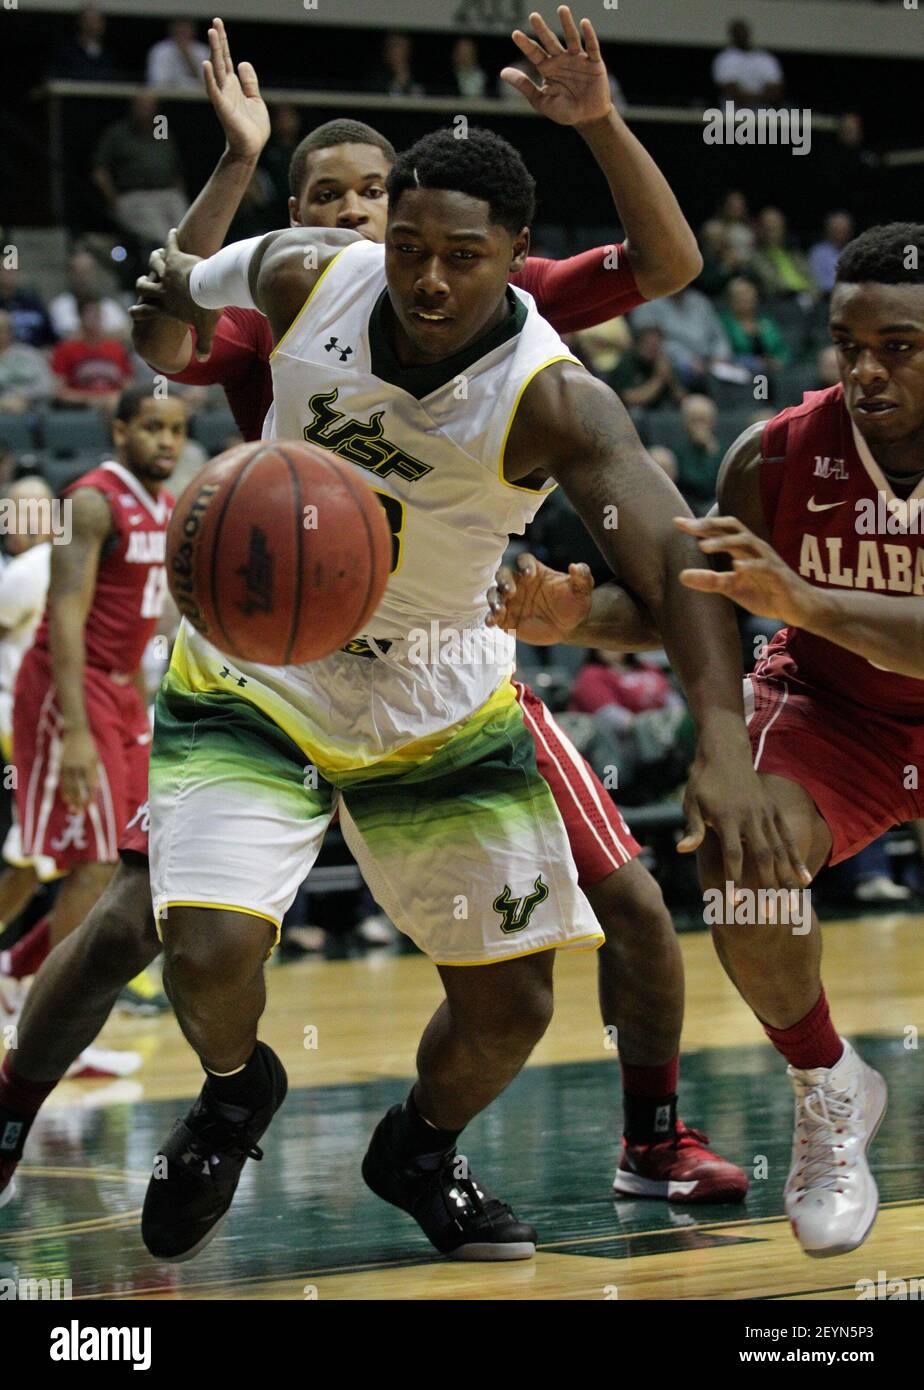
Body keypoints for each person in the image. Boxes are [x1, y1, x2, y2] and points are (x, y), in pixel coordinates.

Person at [0, 13, 757, 1235]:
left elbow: (675, 564)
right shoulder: (305, 275)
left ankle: (420, 1149)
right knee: (197, 942)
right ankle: (235, 1091)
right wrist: (185, 259)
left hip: (436, 684)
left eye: (461, 257)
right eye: (406, 246)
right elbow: (169, 311)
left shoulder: (556, 401)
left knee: (514, 1004)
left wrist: (722, 741)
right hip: (260, 667)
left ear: (516, 257)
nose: (427, 278)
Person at [494, 221, 924, 1259]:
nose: (866, 369)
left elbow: (800, 603)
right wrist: (579, 619)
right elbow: (695, 601)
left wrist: (808, 602)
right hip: (837, 714)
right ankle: (827, 1084)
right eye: (848, 344)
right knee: (739, 851)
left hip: (852, 660)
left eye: (899, 347)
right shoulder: (774, 454)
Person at [92, 91, 189, 254]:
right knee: (161, 235)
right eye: (142, 106)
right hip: (135, 196)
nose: (146, 111)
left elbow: (174, 166)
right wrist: (114, 201)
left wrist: (179, 191)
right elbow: (100, 172)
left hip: (167, 194)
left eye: (150, 107)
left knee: (186, 231)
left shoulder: (161, 130)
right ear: (133, 107)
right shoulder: (118, 133)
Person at [630, 286, 731, 387]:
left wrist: (720, 356)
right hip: (678, 362)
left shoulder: (699, 300)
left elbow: (719, 334)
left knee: (737, 369)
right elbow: (649, 343)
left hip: (711, 360)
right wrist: (687, 359)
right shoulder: (649, 301)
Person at [50, 298, 135, 411]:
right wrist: (92, 399)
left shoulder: (116, 348)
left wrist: (112, 399)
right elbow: (60, 391)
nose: (96, 319)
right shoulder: (65, 349)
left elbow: (128, 386)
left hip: (114, 403)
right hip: (80, 407)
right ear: (81, 318)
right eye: (91, 315)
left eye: (98, 315)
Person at [49, 250, 131, 342]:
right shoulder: (61, 305)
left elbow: (127, 333)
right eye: (79, 272)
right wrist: (109, 334)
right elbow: (70, 337)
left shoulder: (108, 305)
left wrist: (90, 334)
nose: (83, 278)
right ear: (70, 274)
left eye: (87, 272)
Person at [719, 276, 791, 375]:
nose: (745, 297)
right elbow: (725, 354)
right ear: (730, 299)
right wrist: (756, 363)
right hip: (740, 372)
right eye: (739, 294)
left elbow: (782, 348)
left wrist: (779, 361)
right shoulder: (724, 323)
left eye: (748, 292)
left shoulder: (766, 320)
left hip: (773, 371)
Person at [609, 324, 687, 409]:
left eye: (657, 345)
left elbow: (681, 399)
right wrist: (658, 379)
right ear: (639, 343)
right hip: (636, 411)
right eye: (649, 344)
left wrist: (670, 378)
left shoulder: (662, 362)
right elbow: (630, 399)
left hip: (665, 410)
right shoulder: (627, 362)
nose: (652, 349)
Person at [711, 19, 783, 109]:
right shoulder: (724, 59)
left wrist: (751, 98)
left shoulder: (766, 58)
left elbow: (776, 91)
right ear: (732, 35)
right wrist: (761, 97)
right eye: (738, 33)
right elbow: (733, 94)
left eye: (743, 32)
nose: (741, 35)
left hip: (764, 113)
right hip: (733, 114)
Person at [750, 207, 817, 301]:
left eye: (776, 224)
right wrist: (799, 295)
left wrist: (813, 293)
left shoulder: (794, 251)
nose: (772, 227)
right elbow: (773, 282)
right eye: (768, 225)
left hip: (809, 298)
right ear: (761, 229)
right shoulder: (757, 255)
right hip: (783, 300)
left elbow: (811, 277)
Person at [675, 394, 723, 513]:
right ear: (685, 423)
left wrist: (710, 450)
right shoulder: (678, 452)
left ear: (712, 422)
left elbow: (714, 486)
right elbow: (695, 483)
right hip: (686, 507)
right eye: (694, 420)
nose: (699, 426)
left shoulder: (723, 450)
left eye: (703, 420)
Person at [0, 310, 52, 414]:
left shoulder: (30, 355)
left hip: (30, 413)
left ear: (10, 331)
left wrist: (23, 397)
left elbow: (47, 386)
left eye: (1, 329)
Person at [50, 6, 116, 82]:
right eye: (89, 21)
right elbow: (56, 78)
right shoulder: (66, 53)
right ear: (81, 23)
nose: (94, 26)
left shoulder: (107, 55)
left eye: (98, 22)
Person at [0, 266, 56, 350]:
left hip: (35, 353)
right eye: (4, 270)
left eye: (12, 270)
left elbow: (51, 338)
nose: (9, 274)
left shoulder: (33, 302)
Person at [146, 20, 209, 90]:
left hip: (196, 93)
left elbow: (206, 82)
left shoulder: (203, 50)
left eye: (187, 27)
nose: (183, 31)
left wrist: (186, 55)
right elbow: (157, 81)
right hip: (167, 92)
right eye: (179, 27)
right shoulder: (160, 49)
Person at [808, 212, 855, 296]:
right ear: (828, 230)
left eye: (844, 230)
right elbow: (819, 283)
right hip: (828, 297)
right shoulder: (818, 253)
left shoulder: (856, 251)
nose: (841, 234)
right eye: (837, 230)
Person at [376, 32, 425, 97]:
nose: (396, 51)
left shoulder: (422, 76)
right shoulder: (377, 80)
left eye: (400, 45)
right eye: (391, 46)